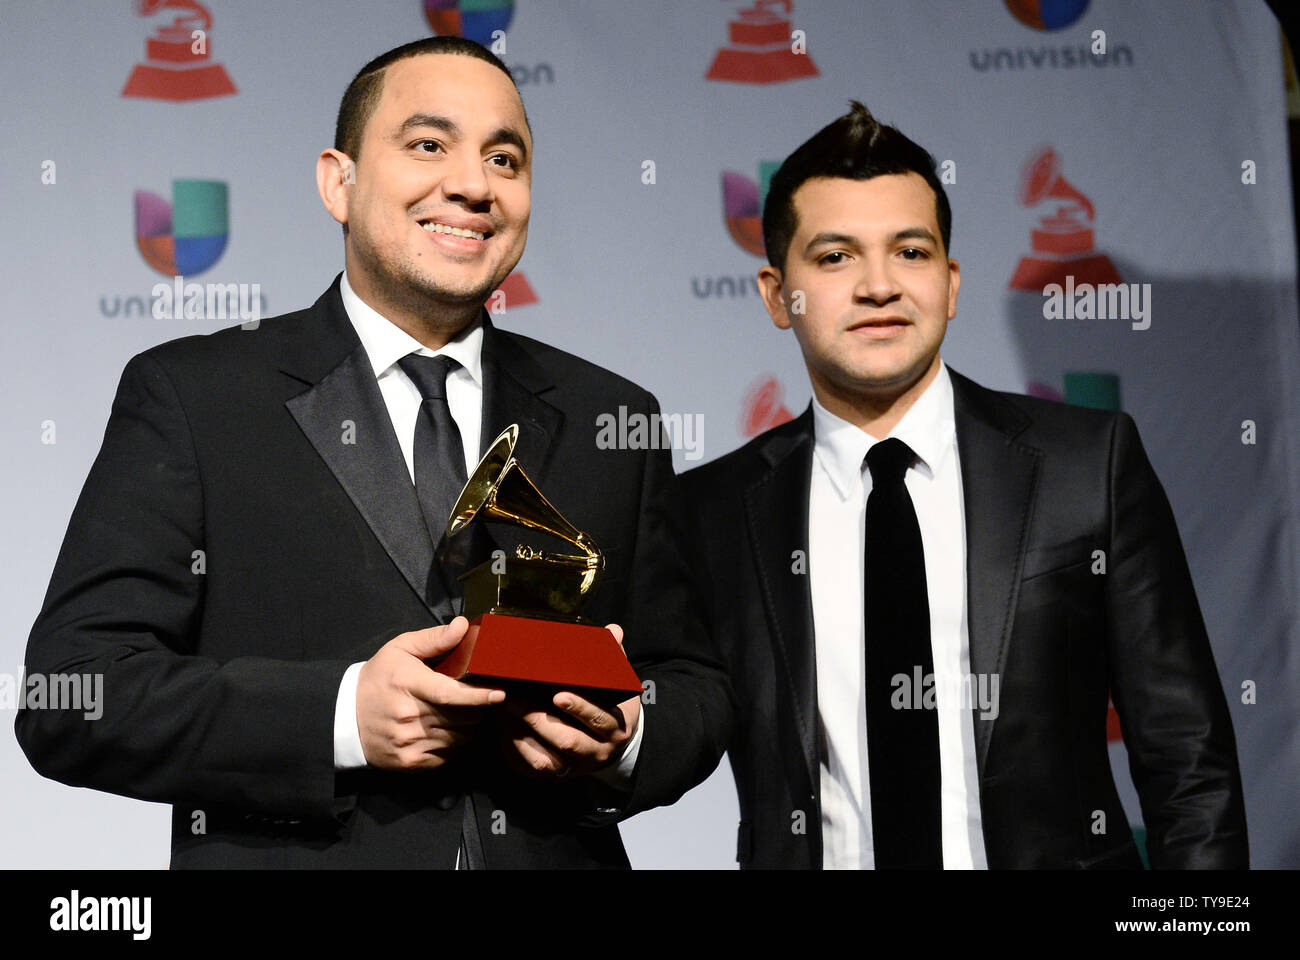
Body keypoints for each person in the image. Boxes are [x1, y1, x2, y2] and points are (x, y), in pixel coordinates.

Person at [16, 37, 732, 869]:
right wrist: (343, 716)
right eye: (428, 145)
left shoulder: (613, 415)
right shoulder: (195, 396)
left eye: (505, 157)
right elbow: (73, 694)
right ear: (339, 182)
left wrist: (628, 733)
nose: (471, 183)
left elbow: (696, 685)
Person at [682, 101, 1248, 869]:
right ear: (779, 296)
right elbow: (668, 731)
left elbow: (1188, 758)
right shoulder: (712, 512)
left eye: (910, 252)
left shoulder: (1089, 465)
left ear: (950, 284)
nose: (880, 286)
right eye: (836, 257)